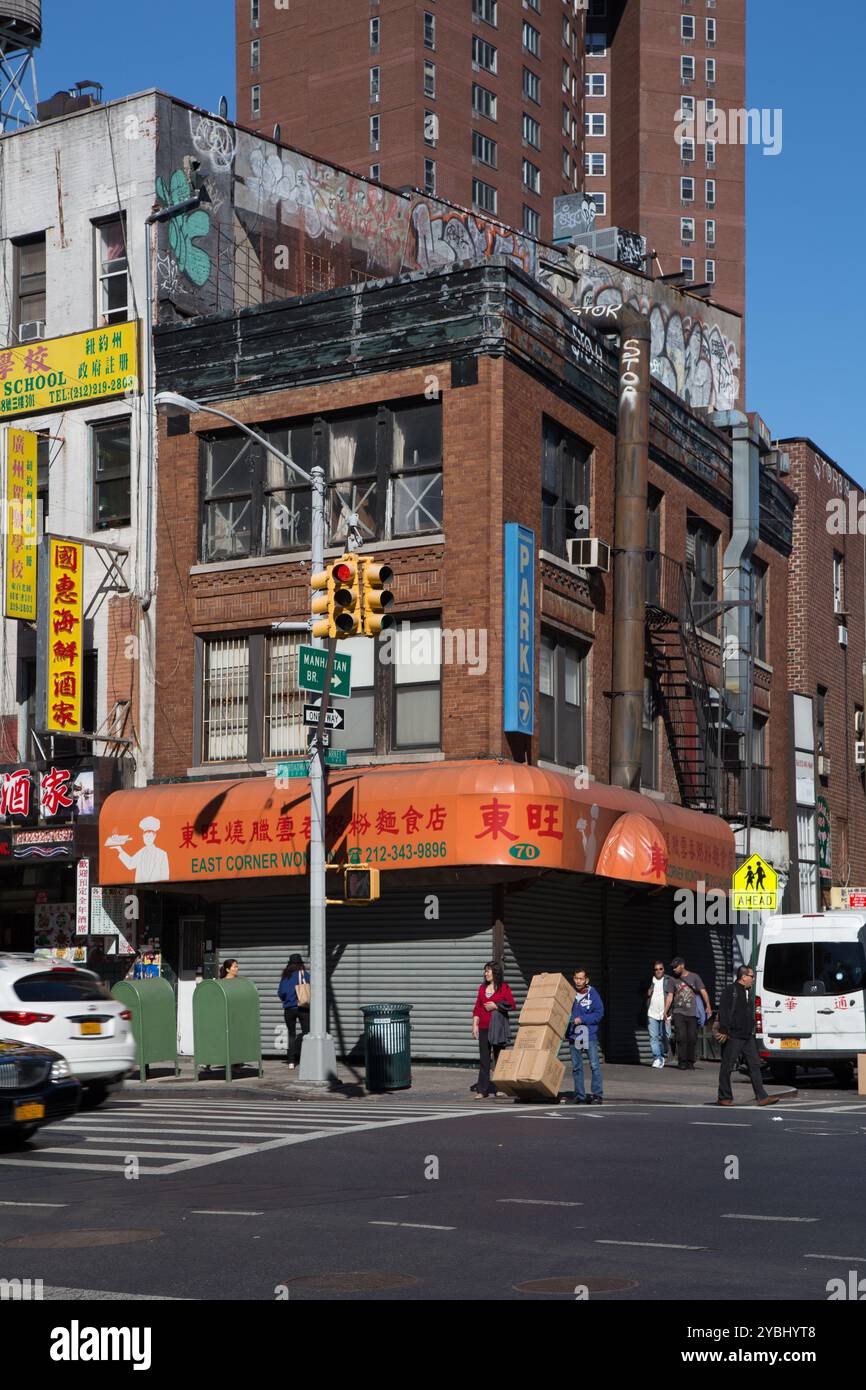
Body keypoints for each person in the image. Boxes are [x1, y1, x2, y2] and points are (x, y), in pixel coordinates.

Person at [715, 965, 778, 1107]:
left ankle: (762, 1097)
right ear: (743, 977)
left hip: (747, 1035)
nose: (753, 979)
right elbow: (724, 1011)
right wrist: (724, 1031)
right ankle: (724, 1097)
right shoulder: (730, 990)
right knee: (727, 1066)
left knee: (755, 1065)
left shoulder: (748, 992)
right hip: (733, 1035)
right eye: (751, 976)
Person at [472, 961, 515, 1098]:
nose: (485, 974)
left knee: (499, 1058)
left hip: (498, 1028)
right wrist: (475, 1025)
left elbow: (512, 1005)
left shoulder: (504, 988)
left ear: (495, 972)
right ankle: (482, 1090)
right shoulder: (482, 988)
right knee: (484, 1060)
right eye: (485, 971)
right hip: (484, 1027)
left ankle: (499, 1088)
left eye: (488, 971)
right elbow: (477, 1008)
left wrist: (496, 1006)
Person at [664, 957, 713, 1071]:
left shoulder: (694, 977)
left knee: (692, 1037)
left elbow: (703, 992)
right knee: (681, 1037)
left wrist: (708, 1006)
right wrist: (665, 1011)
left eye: (676, 967)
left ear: (682, 965)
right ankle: (682, 1061)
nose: (674, 969)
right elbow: (670, 996)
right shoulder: (672, 979)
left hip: (692, 1012)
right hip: (678, 1012)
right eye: (673, 967)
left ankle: (690, 1062)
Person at [567, 969, 605, 1104]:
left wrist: (582, 1019)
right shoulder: (570, 993)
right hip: (575, 1035)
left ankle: (597, 1095)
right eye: (576, 978)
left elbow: (599, 1013)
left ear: (586, 980)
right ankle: (579, 1096)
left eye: (581, 979)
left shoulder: (593, 994)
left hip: (588, 1034)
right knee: (577, 1067)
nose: (578, 981)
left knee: (594, 1065)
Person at [278, 954, 311, 1070]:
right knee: (306, 1033)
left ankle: (291, 1061)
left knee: (291, 1034)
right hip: (303, 1008)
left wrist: (287, 999)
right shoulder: (304, 975)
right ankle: (307, 1058)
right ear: (301, 963)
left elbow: (281, 993)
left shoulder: (286, 976)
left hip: (289, 1009)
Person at [646, 960, 674, 1068]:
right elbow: (642, 992)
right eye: (656, 969)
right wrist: (647, 992)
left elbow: (671, 996)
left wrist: (668, 1011)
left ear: (664, 969)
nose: (658, 971)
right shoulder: (650, 980)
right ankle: (657, 1057)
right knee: (653, 1037)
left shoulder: (668, 980)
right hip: (652, 1013)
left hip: (665, 1013)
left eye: (660, 969)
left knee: (666, 1036)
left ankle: (663, 1054)